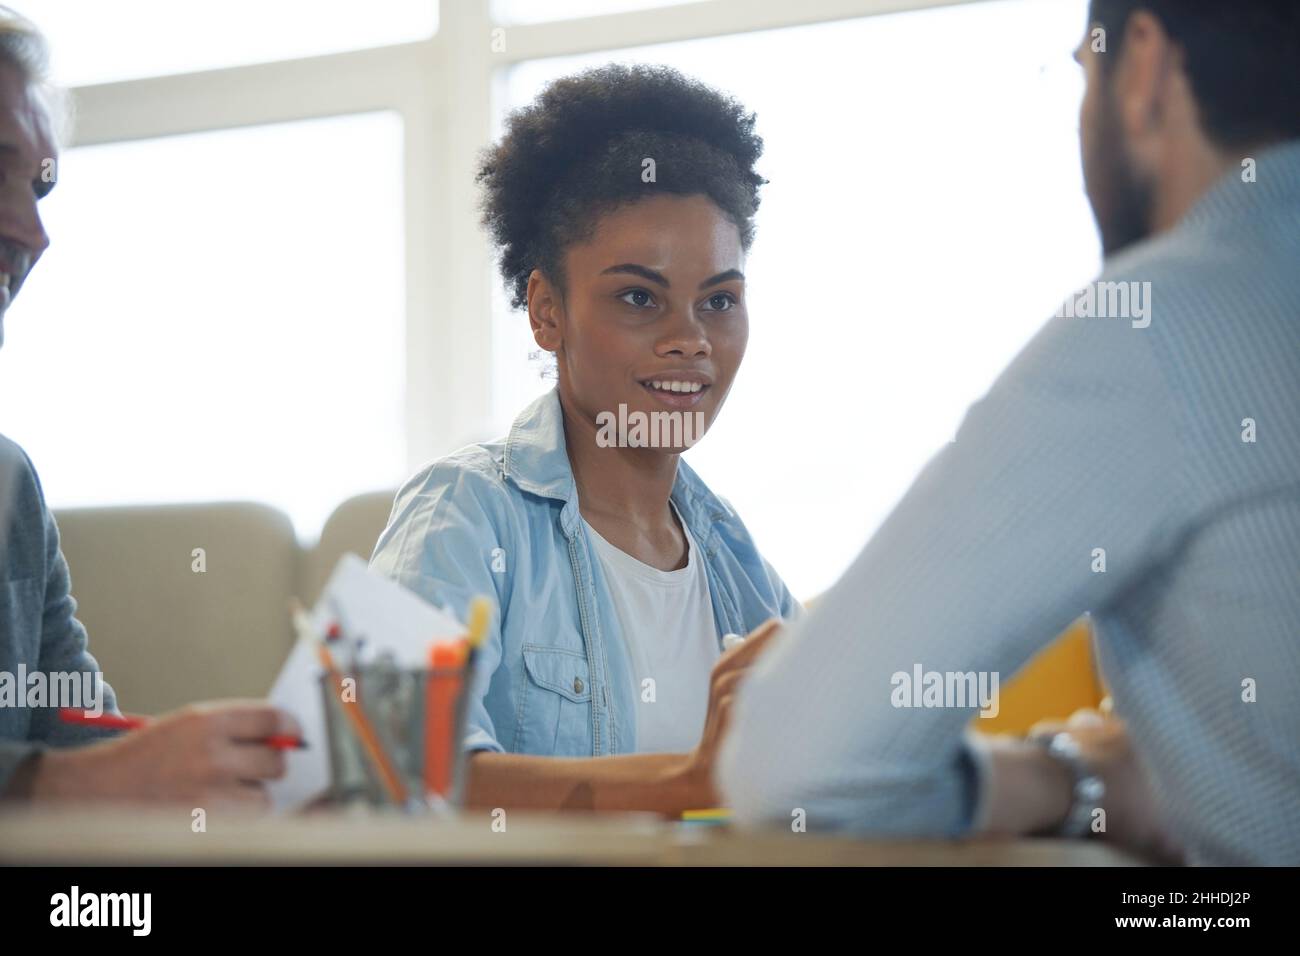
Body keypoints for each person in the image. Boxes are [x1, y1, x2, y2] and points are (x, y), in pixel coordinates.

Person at [718, 0, 1300, 865]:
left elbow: (791, 770)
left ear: (1140, 67)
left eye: (1078, 71)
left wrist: (1069, 777)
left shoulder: (1162, 321)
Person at [370, 64, 796, 816]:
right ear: (546, 311)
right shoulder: (459, 511)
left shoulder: (735, 557)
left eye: (719, 300)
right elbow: (386, 770)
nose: (690, 340)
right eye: (640, 297)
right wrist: (690, 781)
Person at [0, 7, 299, 809]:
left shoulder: (10, 483)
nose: (32, 232)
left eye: (38, 188)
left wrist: (254, 774)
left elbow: (77, 732)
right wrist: (58, 783)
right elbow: (70, 772)